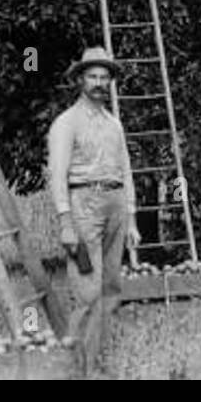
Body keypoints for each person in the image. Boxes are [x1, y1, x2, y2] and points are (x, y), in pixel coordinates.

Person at [47, 46, 140, 375]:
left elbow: (125, 170)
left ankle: (100, 362)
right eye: (92, 76)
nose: (99, 82)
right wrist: (65, 222)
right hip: (83, 204)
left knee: (111, 288)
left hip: (115, 203)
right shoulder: (66, 123)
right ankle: (76, 370)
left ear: (111, 81)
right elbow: (57, 175)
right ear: (80, 80)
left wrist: (130, 218)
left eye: (104, 77)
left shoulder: (113, 123)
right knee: (87, 290)